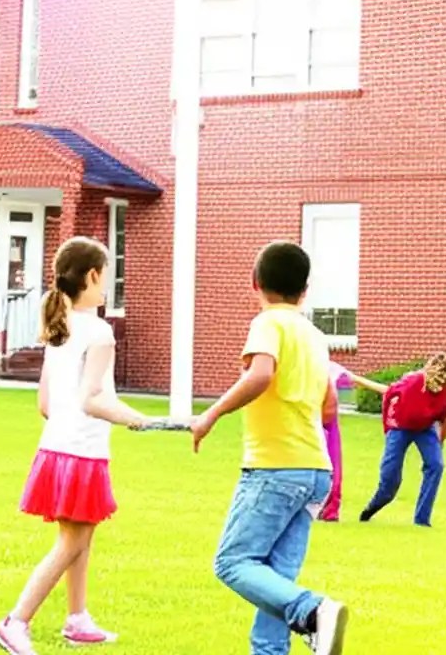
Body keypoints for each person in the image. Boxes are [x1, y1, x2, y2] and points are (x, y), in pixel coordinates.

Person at [181, 241, 348, 655]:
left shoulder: (268, 323)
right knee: (274, 579)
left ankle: (313, 610)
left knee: (232, 563)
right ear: (305, 290)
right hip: (316, 472)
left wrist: (211, 414)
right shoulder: (314, 336)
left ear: (256, 283)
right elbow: (329, 405)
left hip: (275, 468)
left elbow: (260, 375)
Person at [0, 237, 153, 655]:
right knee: (73, 541)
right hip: (81, 451)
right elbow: (92, 398)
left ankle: (77, 618)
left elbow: (46, 404)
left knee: (81, 536)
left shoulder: (59, 329)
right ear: (93, 276)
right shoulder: (99, 332)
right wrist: (134, 418)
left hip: (57, 448)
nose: (108, 287)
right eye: (107, 278)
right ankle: (15, 622)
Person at [359, 353, 446, 527]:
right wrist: (387, 426)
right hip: (400, 426)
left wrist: (438, 445)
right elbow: (389, 393)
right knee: (390, 479)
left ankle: (422, 520)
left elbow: (443, 419)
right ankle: (371, 508)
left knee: (436, 465)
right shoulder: (413, 381)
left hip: (425, 429)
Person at [319, 362, 387, 523]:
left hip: (329, 421)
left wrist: (394, 391)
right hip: (311, 419)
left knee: (334, 466)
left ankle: (330, 510)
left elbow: (358, 380)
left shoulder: (330, 367)